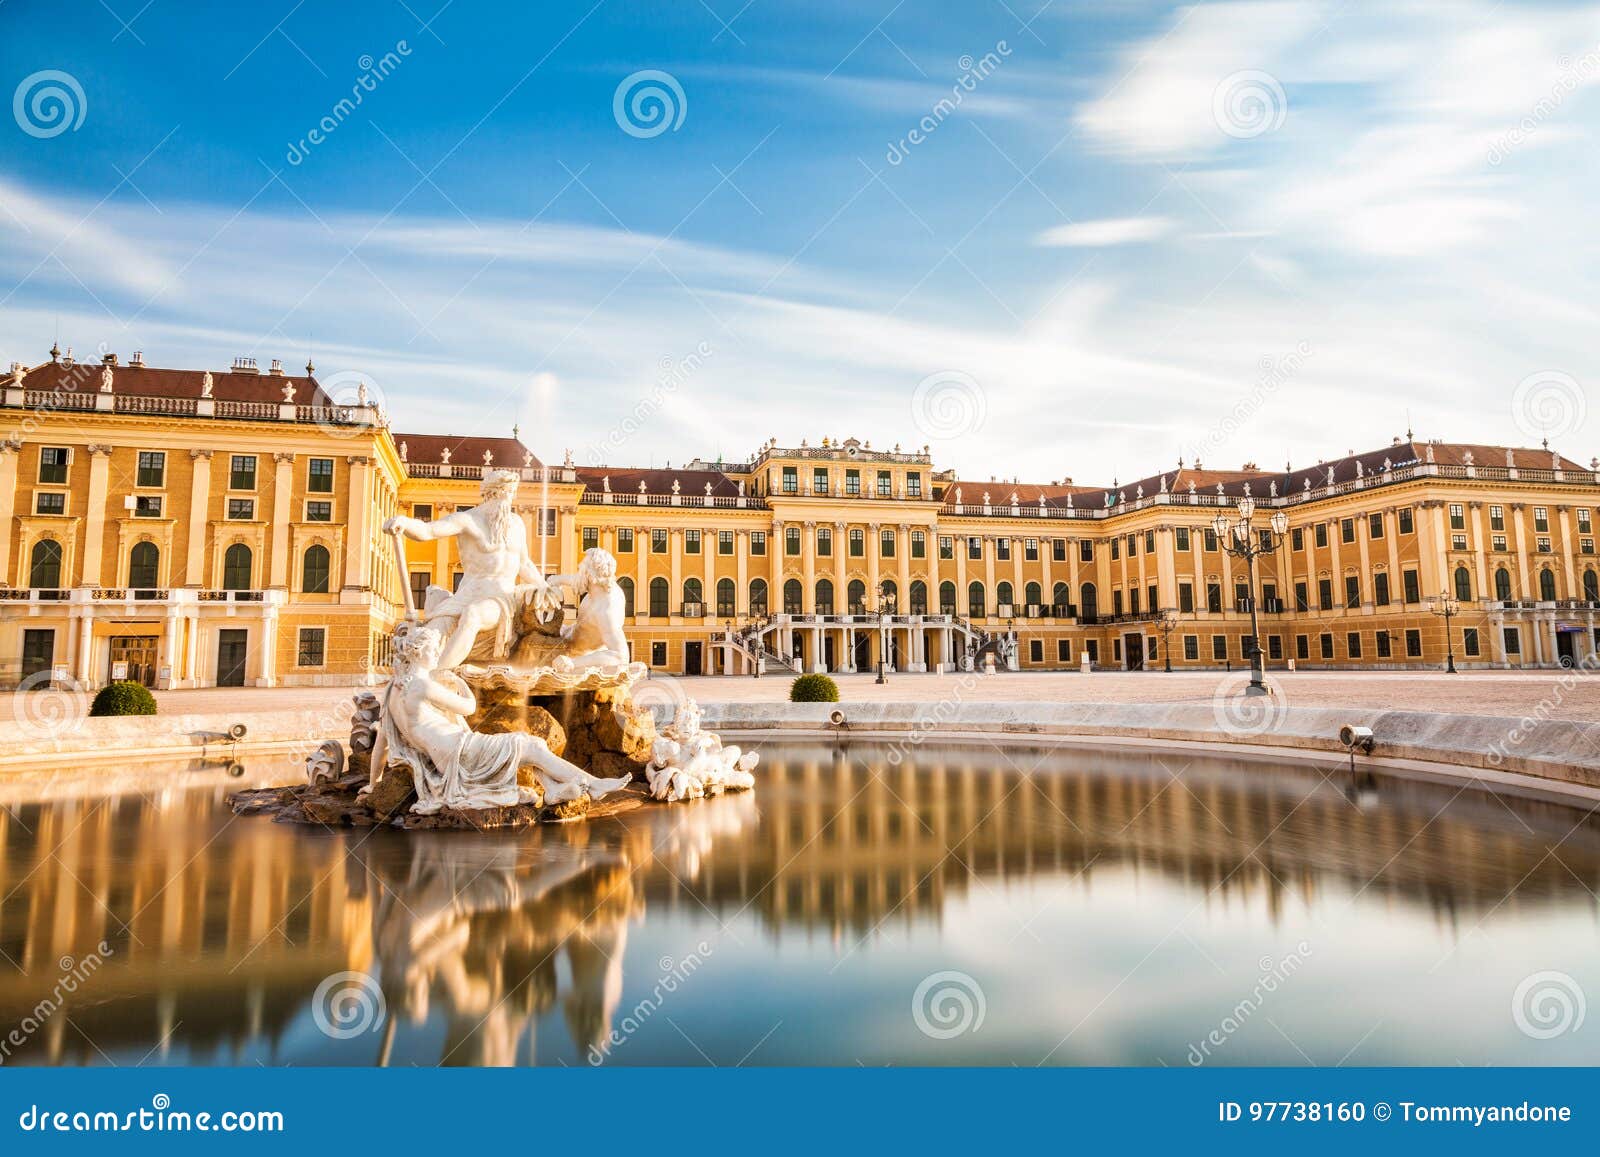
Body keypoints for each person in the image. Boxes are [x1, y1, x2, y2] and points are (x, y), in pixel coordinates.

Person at [380, 624, 632, 814]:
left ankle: (555, 788)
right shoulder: (423, 686)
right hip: (461, 754)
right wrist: (459, 683)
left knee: (532, 747)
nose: (438, 654)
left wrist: (373, 785)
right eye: (434, 650)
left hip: (455, 752)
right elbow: (468, 708)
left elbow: (382, 740)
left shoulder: (395, 689)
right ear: (419, 652)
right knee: (531, 745)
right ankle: (594, 784)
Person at [382, 469, 554, 669]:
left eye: (511, 492)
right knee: (433, 633)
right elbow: (428, 530)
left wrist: (543, 586)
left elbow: (524, 563)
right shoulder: (466, 520)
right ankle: (415, 681)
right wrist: (404, 522)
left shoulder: (516, 524)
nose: (508, 498)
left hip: (500, 598)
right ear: (491, 493)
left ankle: (437, 676)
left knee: (473, 614)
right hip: (465, 596)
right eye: (504, 492)